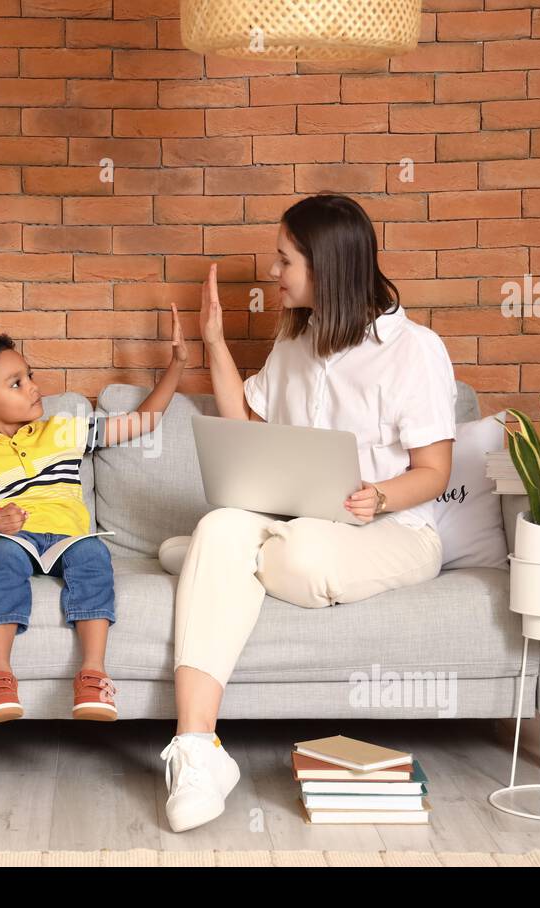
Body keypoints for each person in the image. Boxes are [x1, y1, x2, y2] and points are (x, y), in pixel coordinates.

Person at [157, 193, 457, 832]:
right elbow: (247, 428)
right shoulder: (297, 342)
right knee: (221, 524)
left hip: (392, 531)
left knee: (287, 550)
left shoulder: (415, 350)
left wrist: (381, 494)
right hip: (301, 522)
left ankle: (221, 565)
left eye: (284, 259)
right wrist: (214, 343)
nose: (272, 271)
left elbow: (435, 473)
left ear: (326, 267)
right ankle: (196, 751)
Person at [0, 318, 188, 725]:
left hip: (67, 539)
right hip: (9, 542)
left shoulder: (62, 431)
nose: (35, 387)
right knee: (2, 554)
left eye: (30, 376)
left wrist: (177, 365)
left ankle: (93, 673)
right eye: (17, 383)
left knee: (92, 549)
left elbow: (143, 422)